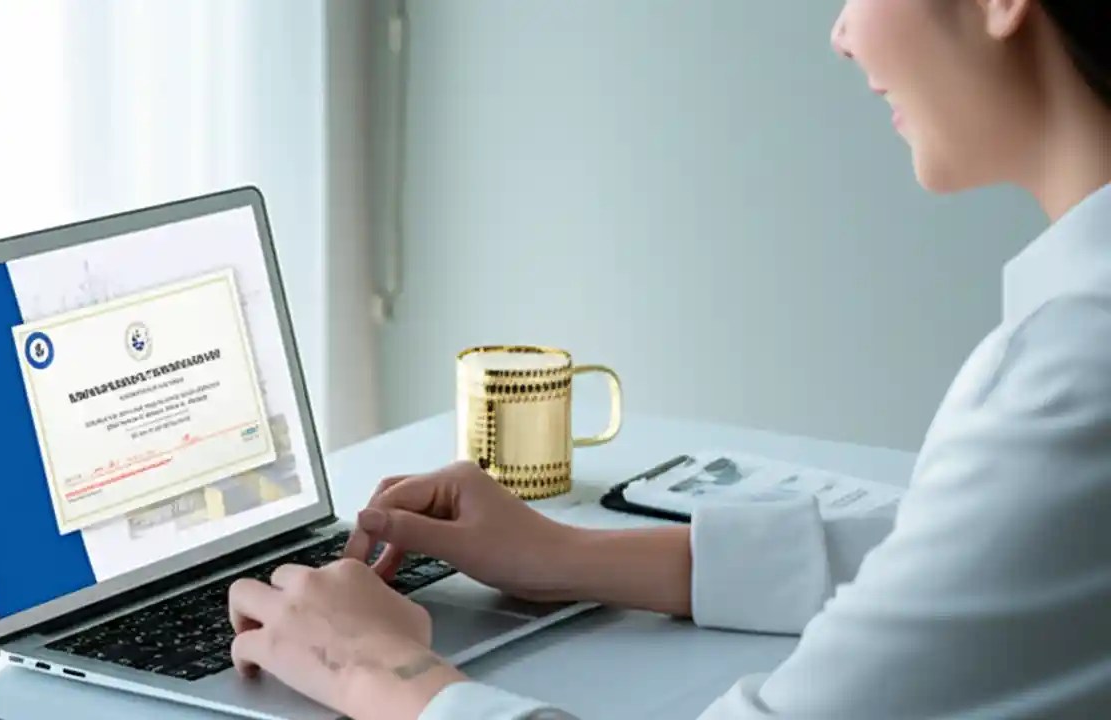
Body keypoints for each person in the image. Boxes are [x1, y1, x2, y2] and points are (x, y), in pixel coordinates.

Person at [226, 1, 1111, 717]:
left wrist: (379, 673)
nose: (841, 33)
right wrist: (569, 556)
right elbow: (951, 554)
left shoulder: (1073, 370)